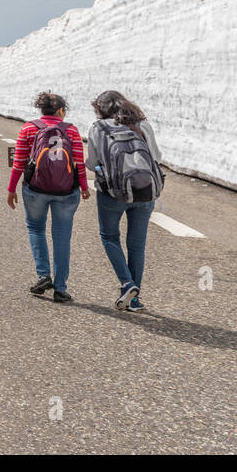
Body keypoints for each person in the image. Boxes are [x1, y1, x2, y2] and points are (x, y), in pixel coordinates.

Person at [6, 91, 90, 302]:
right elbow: (79, 163)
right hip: (66, 191)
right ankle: (60, 288)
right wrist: (84, 187)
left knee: (35, 228)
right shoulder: (71, 130)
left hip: (35, 189)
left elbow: (19, 161)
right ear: (61, 110)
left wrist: (11, 188)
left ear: (41, 109)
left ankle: (43, 275)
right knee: (62, 236)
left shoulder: (28, 128)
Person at [87, 91, 163, 313]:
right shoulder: (141, 124)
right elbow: (157, 157)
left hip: (112, 193)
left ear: (100, 108)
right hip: (144, 191)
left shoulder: (98, 128)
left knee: (110, 237)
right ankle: (135, 300)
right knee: (137, 245)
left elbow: (91, 163)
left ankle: (128, 284)